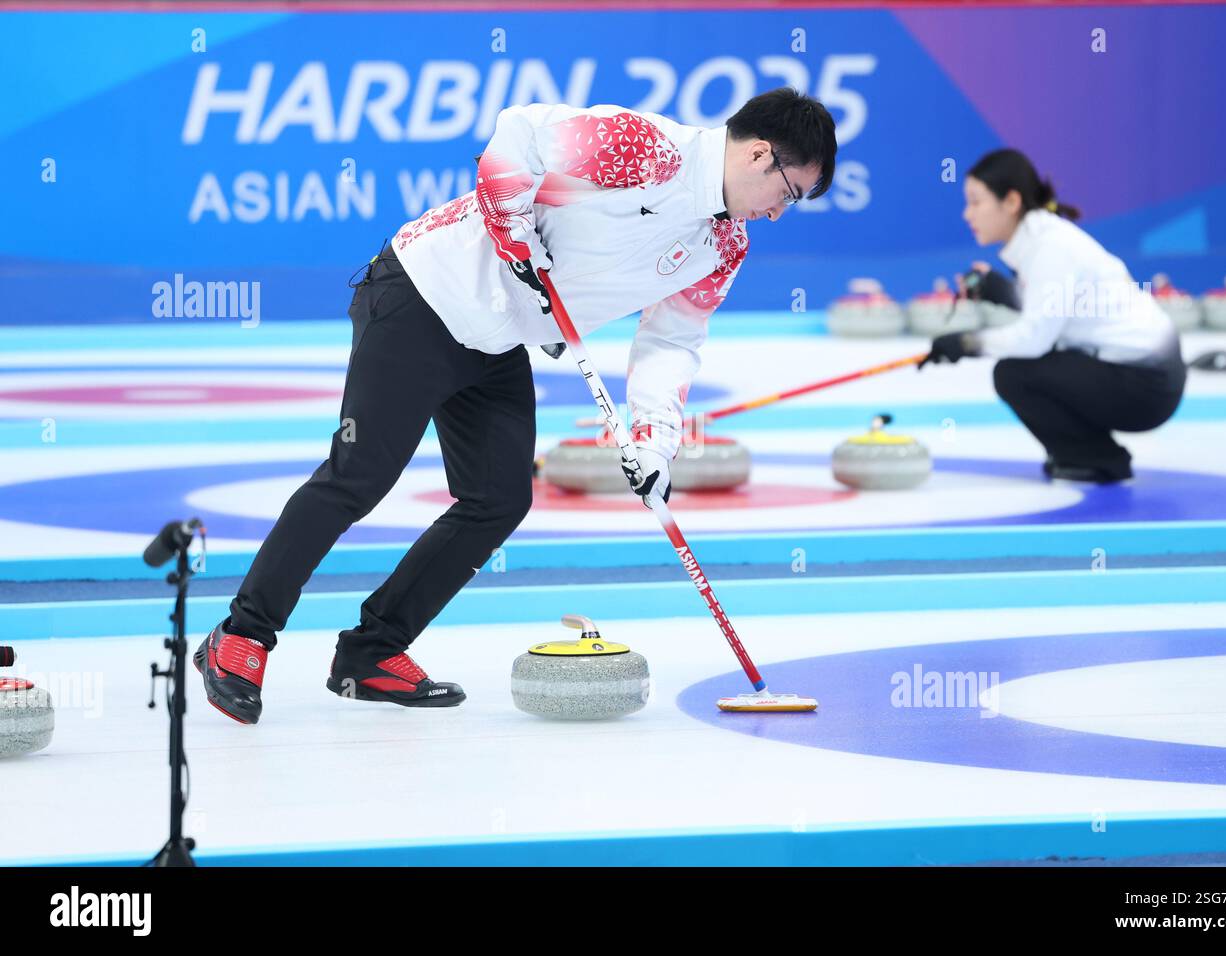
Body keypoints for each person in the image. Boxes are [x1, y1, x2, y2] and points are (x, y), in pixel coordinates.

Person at [194, 88, 837, 724]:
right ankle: (243, 634)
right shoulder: (650, 149)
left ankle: (371, 651)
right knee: (359, 477)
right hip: (426, 292)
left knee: (499, 497)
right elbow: (517, 135)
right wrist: (511, 228)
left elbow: (671, 342)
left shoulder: (723, 247)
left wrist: (654, 442)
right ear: (760, 156)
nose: (781, 213)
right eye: (791, 193)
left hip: (499, 336)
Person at [920, 148, 1185, 483]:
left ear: (1011, 202)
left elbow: (1033, 340)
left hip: (1146, 384)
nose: (967, 214)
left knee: (1015, 374)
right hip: (1144, 375)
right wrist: (1000, 291)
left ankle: (1099, 458)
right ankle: (1090, 452)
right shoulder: (1044, 239)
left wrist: (966, 342)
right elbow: (1058, 307)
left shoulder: (1051, 249)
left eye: (975, 201)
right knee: (1031, 367)